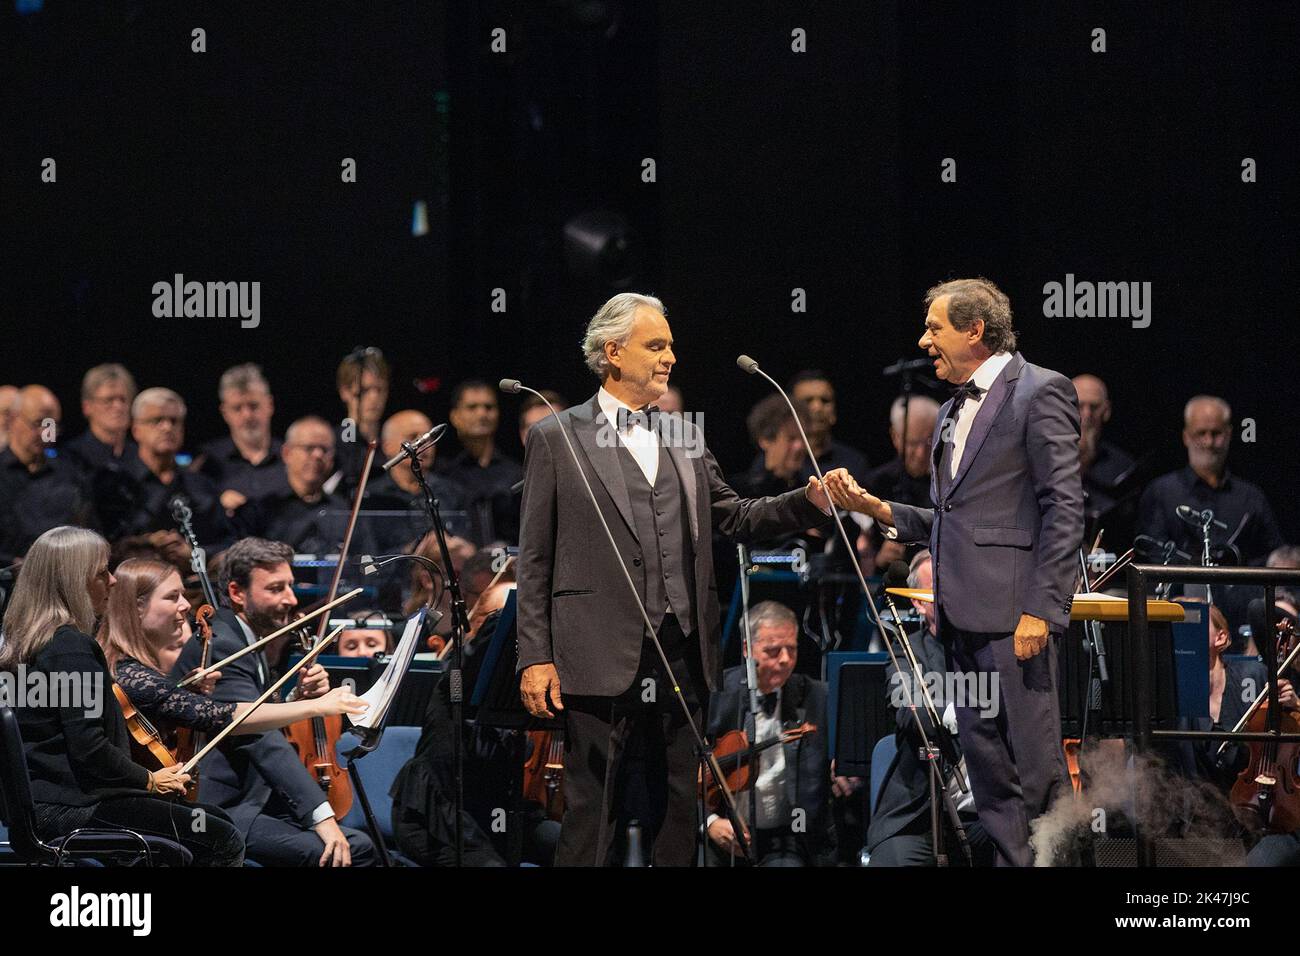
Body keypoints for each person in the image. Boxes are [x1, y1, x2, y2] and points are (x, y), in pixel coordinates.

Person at [517, 292, 833, 866]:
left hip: (681, 645)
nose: (669, 357)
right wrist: (534, 655)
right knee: (594, 806)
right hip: (594, 648)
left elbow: (734, 515)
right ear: (612, 352)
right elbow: (534, 557)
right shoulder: (557, 437)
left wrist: (806, 501)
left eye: (670, 346)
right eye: (655, 345)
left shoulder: (684, 433)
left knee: (680, 801)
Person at [826, 277, 1084, 866]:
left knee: (1038, 776)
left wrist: (1043, 609)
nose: (924, 341)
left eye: (934, 329)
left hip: (1016, 621)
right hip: (959, 623)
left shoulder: (1041, 391)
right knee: (993, 786)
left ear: (975, 330)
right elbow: (946, 520)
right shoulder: (948, 410)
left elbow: (1064, 509)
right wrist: (871, 506)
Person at [0, 526, 244, 866]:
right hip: (74, 810)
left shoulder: (23, 645)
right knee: (218, 836)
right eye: (102, 573)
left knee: (210, 819)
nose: (113, 581)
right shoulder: (69, 648)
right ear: (75, 580)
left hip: (46, 807)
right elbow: (88, 747)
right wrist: (149, 779)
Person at [173, 537, 377, 866]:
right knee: (346, 849)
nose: (291, 599)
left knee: (358, 842)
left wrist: (297, 698)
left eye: (291, 586)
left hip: (256, 800)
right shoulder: (223, 644)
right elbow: (258, 736)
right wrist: (321, 818)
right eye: (276, 589)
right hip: (222, 808)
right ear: (237, 592)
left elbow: (262, 716)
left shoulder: (247, 638)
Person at [98, 557, 366, 760]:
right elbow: (221, 717)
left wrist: (182, 691)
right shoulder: (129, 674)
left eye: (182, 594)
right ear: (136, 607)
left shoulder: (137, 671)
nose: (186, 605)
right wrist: (316, 707)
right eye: (172, 597)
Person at [866, 550, 992, 866]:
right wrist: (964, 713)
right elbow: (912, 713)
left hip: (987, 812)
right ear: (919, 603)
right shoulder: (906, 651)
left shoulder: (994, 648)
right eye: (938, 587)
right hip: (920, 815)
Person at [704, 601, 836, 866]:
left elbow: (839, 758)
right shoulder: (716, 696)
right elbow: (688, 775)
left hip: (787, 840)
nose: (786, 659)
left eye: (792, 648)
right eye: (774, 651)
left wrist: (841, 767)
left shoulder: (817, 697)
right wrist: (710, 822)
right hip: (724, 835)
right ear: (746, 649)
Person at [1138, 395, 1283, 568]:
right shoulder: (1160, 492)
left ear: (1229, 434)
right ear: (1186, 437)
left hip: (1244, 593)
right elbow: (1151, 554)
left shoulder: (1251, 497)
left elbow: (1274, 556)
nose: (1209, 442)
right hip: (1176, 594)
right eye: (1201, 433)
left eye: (1216, 433)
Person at [94, 387, 232, 550]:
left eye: (174, 421)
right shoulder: (114, 483)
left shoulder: (202, 485)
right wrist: (146, 543)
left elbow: (228, 543)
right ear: (136, 430)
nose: (167, 427)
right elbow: (99, 544)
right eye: (157, 420)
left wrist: (195, 555)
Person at [0, 385, 97, 563]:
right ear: (13, 419)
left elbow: (90, 531)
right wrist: (11, 562)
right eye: (38, 423)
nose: (46, 434)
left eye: (52, 425)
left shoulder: (71, 474)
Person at [237, 416, 351, 553]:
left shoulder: (344, 510)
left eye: (324, 449)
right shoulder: (261, 507)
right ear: (286, 453)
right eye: (309, 448)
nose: (318, 455)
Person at [364, 409, 468, 549]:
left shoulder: (452, 491)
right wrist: (410, 554)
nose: (423, 445)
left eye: (428, 438)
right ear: (387, 446)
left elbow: (469, 543)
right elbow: (365, 555)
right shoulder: (371, 496)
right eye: (413, 437)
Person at [440, 380, 523, 546]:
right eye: (472, 407)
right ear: (455, 416)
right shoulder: (443, 474)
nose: (482, 414)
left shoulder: (516, 472)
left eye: (489, 407)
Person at [193, 363, 284, 510]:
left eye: (254, 406)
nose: (247, 416)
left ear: (270, 405)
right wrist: (217, 504)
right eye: (237, 408)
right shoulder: (207, 462)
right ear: (224, 413)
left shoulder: (291, 457)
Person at [1071, 374, 1138, 546]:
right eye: (1079, 405)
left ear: (1106, 411)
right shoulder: (1042, 460)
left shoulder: (1124, 468)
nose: (1087, 414)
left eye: (1094, 407)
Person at [61, 363, 138, 478]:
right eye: (108, 400)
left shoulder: (141, 456)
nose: (118, 406)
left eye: (123, 399)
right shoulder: (70, 458)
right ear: (87, 407)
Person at [332, 347, 390, 494]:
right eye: (365, 390)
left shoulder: (390, 441)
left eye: (380, 390)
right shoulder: (335, 441)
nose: (374, 398)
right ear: (345, 392)